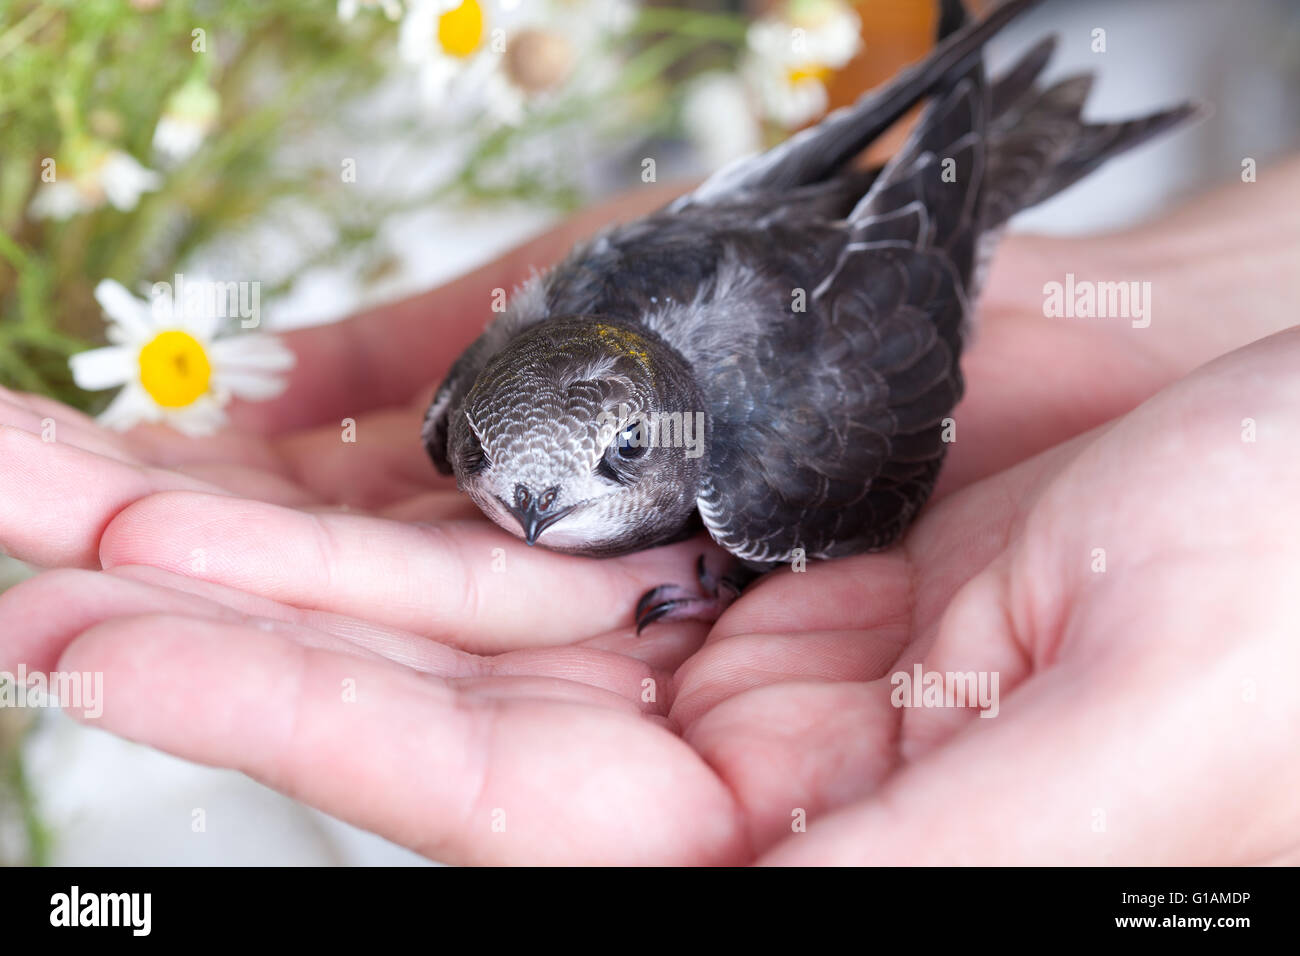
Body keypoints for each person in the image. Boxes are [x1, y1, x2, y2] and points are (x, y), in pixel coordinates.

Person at [0, 159, 1297, 865]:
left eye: (588, 476)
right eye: (500, 471)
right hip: (788, 224)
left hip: (872, 259)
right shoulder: (468, 419)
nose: (525, 512)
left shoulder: (769, 465)